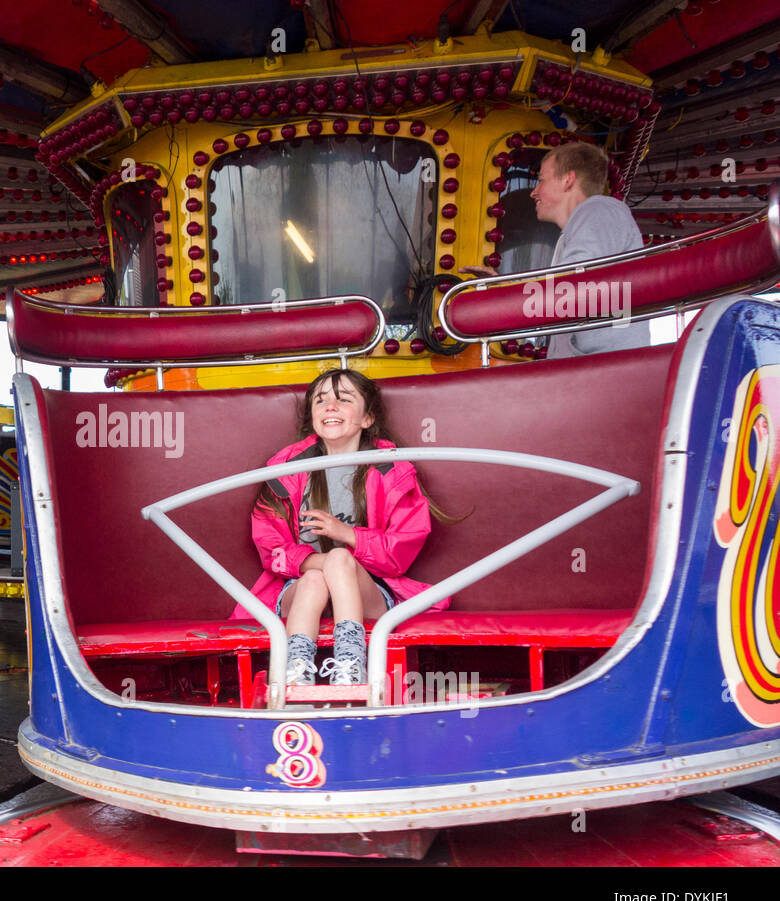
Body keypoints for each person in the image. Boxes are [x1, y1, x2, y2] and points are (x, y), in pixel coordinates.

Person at [233, 369, 450, 687]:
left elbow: (400, 553)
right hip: (302, 589)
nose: (330, 406)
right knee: (317, 577)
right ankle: (295, 673)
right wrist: (321, 563)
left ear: (367, 418)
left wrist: (346, 535)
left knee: (338, 561)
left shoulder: (392, 472)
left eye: (343, 399)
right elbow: (271, 547)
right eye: (320, 400)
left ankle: (350, 662)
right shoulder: (287, 470)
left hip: (369, 592)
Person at [461, 141, 646, 358]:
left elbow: (571, 292)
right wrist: (505, 287)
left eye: (540, 181)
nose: (534, 192)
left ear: (568, 180)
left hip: (601, 366)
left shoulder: (599, 210)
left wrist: (509, 295)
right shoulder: (584, 224)